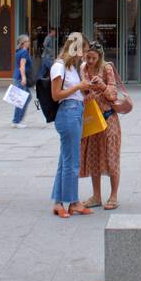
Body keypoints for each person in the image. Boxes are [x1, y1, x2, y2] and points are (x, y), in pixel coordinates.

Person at [49, 32, 102, 219]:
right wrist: (78, 87)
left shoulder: (72, 68)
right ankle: (73, 203)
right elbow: (56, 95)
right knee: (72, 162)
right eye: (84, 50)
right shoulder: (59, 66)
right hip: (68, 113)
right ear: (76, 48)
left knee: (65, 160)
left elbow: (75, 91)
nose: (85, 55)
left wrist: (86, 86)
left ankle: (58, 203)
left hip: (76, 111)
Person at [80, 40, 123, 210]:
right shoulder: (83, 69)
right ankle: (96, 196)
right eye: (87, 57)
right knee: (93, 158)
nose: (90, 61)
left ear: (100, 57)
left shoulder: (107, 68)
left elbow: (113, 94)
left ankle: (113, 195)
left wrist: (102, 85)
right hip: (92, 118)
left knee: (111, 156)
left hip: (108, 118)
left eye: (93, 58)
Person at [10, 34, 32, 128]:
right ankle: (16, 121)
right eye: (28, 41)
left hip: (17, 77)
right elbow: (22, 66)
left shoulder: (18, 51)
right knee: (21, 99)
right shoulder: (24, 52)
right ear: (24, 43)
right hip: (20, 78)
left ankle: (18, 119)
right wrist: (23, 77)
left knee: (27, 97)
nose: (29, 43)